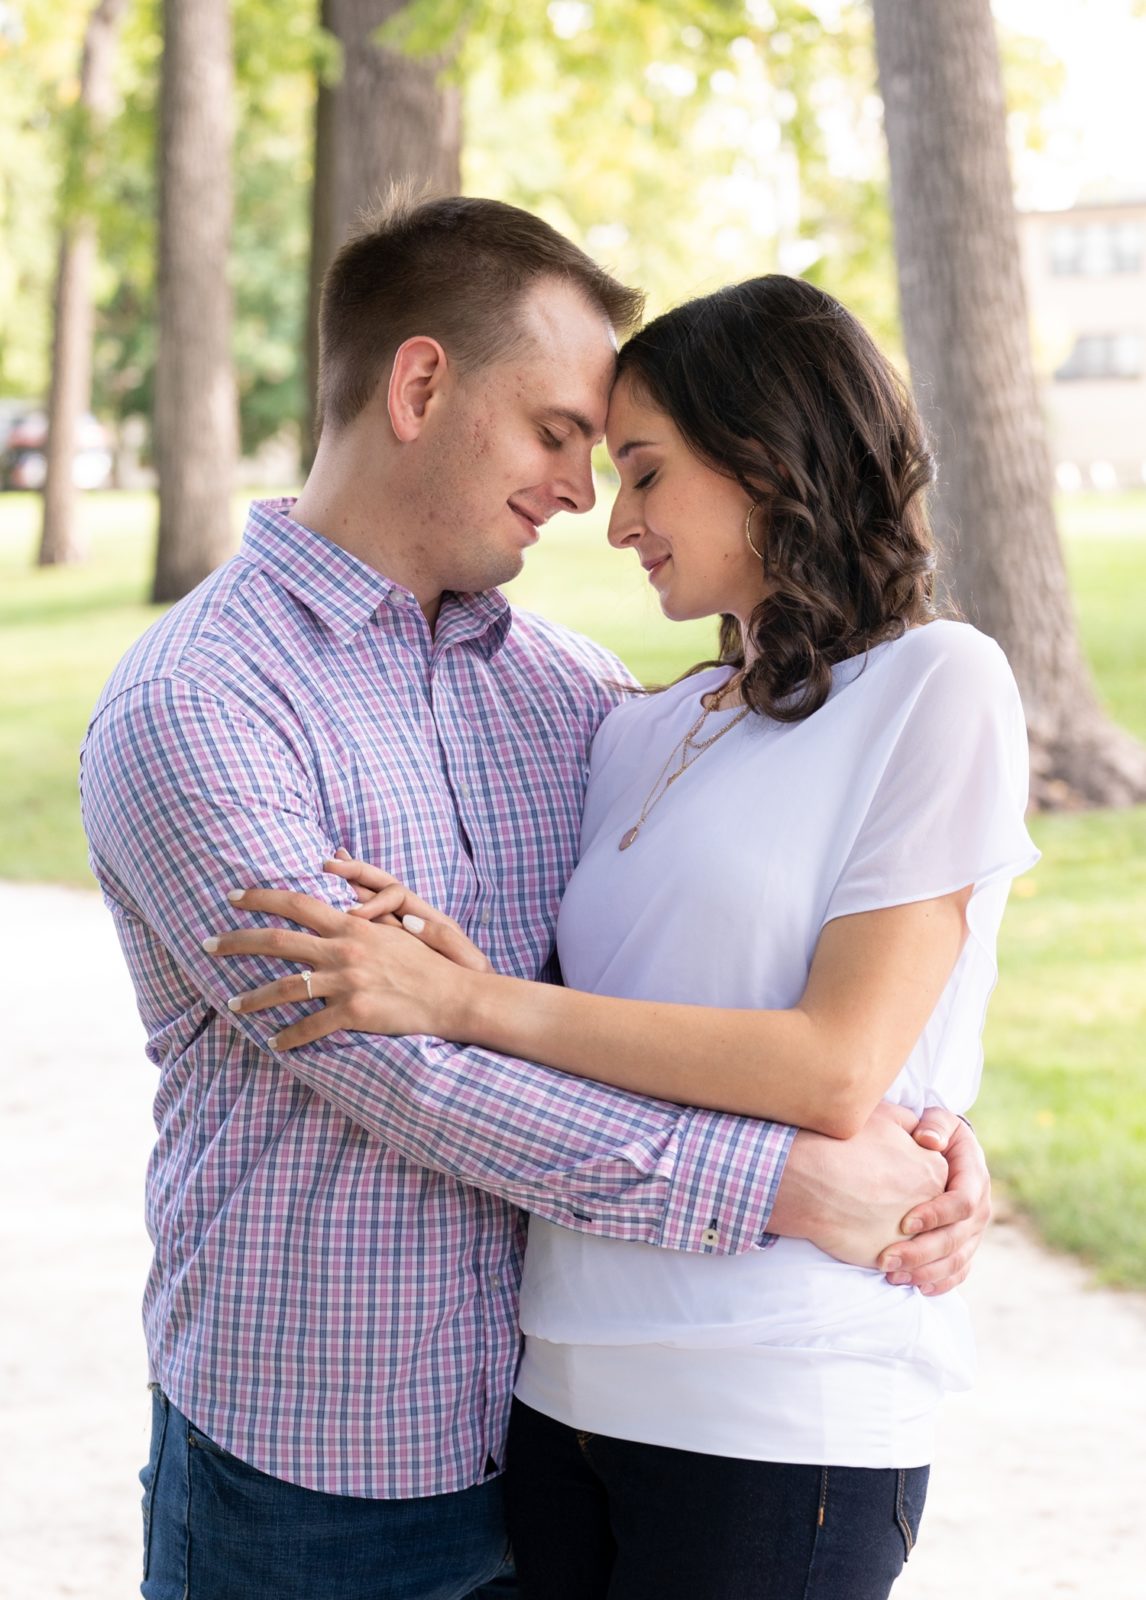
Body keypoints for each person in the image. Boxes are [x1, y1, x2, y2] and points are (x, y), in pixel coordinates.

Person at [82, 197, 990, 1600]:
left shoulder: (571, 695)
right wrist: (793, 1183)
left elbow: (712, 965)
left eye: (619, 458)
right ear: (421, 384)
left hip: (562, 1437)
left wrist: (928, 1133)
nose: (585, 498)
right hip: (320, 1467)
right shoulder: (199, 704)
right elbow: (404, 1074)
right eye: (559, 434)